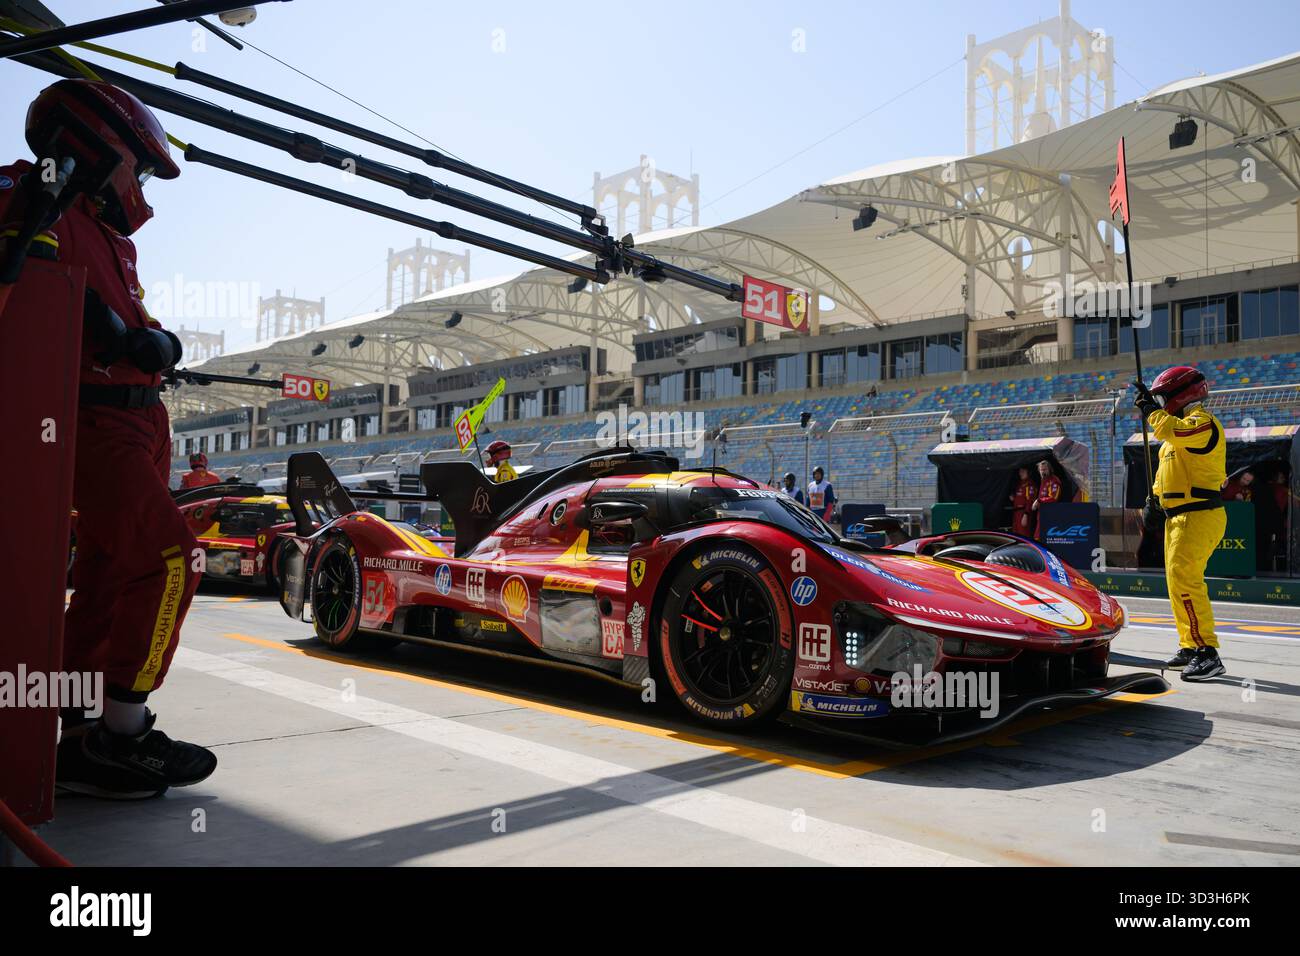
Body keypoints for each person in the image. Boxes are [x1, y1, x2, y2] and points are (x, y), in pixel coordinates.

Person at [2, 80, 216, 798]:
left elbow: (116, 319)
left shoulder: (104, 234)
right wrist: (117, 333)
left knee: (105, 578)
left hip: (134, 421)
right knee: (172, 560)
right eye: (142, 167)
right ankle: (126, 732)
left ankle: (75, 736)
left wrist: (152, 340)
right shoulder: (26, 195)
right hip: (90, 422)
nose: (144, 186)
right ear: (98, 149)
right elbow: (29, 285)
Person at [1135, 366, 1227, 681]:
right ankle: (1190, 645)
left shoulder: (1202, 424)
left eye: (1162, 398)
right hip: (1178, 517)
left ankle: (1207, 652)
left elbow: (1172, 430)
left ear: (1179, 394)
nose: (1159, 404)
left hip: (1199, 513)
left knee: (1186, 581)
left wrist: (1151, 412)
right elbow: (1165, 477)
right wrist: (1153, 503)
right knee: (1177, 584)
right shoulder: (1172, 435)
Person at [1031, 460, 1061, 540]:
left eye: (1045, 469)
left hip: (1050, 513)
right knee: (1038, 537)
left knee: (1040, 537)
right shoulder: (1043, 480)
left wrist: (1039, 500)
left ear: (1049, 469)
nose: (1042, 472)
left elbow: (1054, 498)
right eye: (1041, 470)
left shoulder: (1054, 481)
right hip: (1042, 513)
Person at [1008, 465, 1037, 536]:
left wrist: (1026, 514)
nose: (1020, 473)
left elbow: (1030, 501)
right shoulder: (1020, 484)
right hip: (1016, 513)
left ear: (1028, 473)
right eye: (1020, 472)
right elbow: (1021, 498)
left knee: (1023, 535)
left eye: (1023, 472)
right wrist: (1014, 498)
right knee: (1015, 535)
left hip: (1023, 513)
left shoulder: (1029, 485)